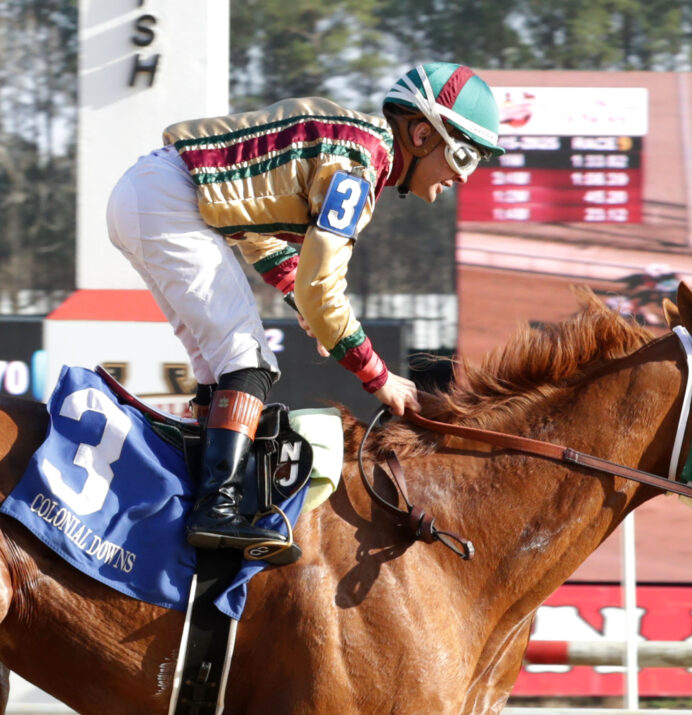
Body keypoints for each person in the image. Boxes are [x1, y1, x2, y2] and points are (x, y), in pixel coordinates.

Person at [106, 62, 504, 564]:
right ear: (422, 133)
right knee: (247, 360)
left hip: (155, 193)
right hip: (166, 199)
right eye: (463, 154)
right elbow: (323, 286)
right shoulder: (359, 165)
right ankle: (216, 509)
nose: (463, 176)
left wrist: (303, 301)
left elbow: (253, 231)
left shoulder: (357, 150)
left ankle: (203, 497)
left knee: (218, 367)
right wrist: (375, 374)